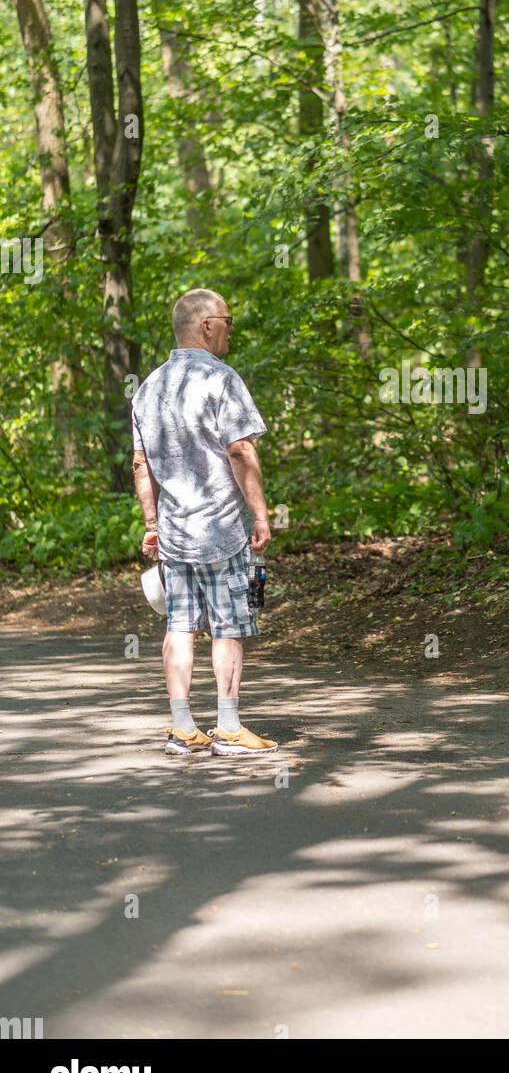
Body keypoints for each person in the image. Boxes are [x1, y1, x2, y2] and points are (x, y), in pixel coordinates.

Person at [131, 288, 277, 758]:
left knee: (179, 626)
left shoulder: (148, 387)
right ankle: (230, 728)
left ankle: (181, 729)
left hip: (174, 532)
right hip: (221, 530)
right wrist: (260, 514)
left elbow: (140, 465)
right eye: (228, 320)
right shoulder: (223, 379)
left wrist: (152, 523)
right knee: (227, 627)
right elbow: (239, 449)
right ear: (207, 325)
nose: (232, 329)